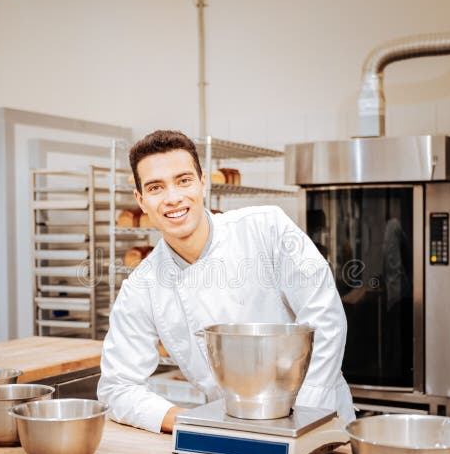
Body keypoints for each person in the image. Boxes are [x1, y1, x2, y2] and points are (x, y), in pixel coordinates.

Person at [97, 130, 355, 433]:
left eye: (184, 180)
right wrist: (193, 422)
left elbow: (325, 319)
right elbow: (117, 389)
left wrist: (305, 418)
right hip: (232, 429)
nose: (173, 198)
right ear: (141, 201)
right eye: (156, 188)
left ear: (203, 182)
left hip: (321, 420)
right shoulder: (141, 286)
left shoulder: (267, 228)